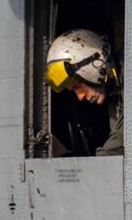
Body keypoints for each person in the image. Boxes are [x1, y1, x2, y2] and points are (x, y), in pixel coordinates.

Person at [44, 28, 123, 156]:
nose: (80, 97)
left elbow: (119, 145)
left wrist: (65, 156)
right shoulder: (115, 98)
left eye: (77, 86)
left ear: (93, 63)